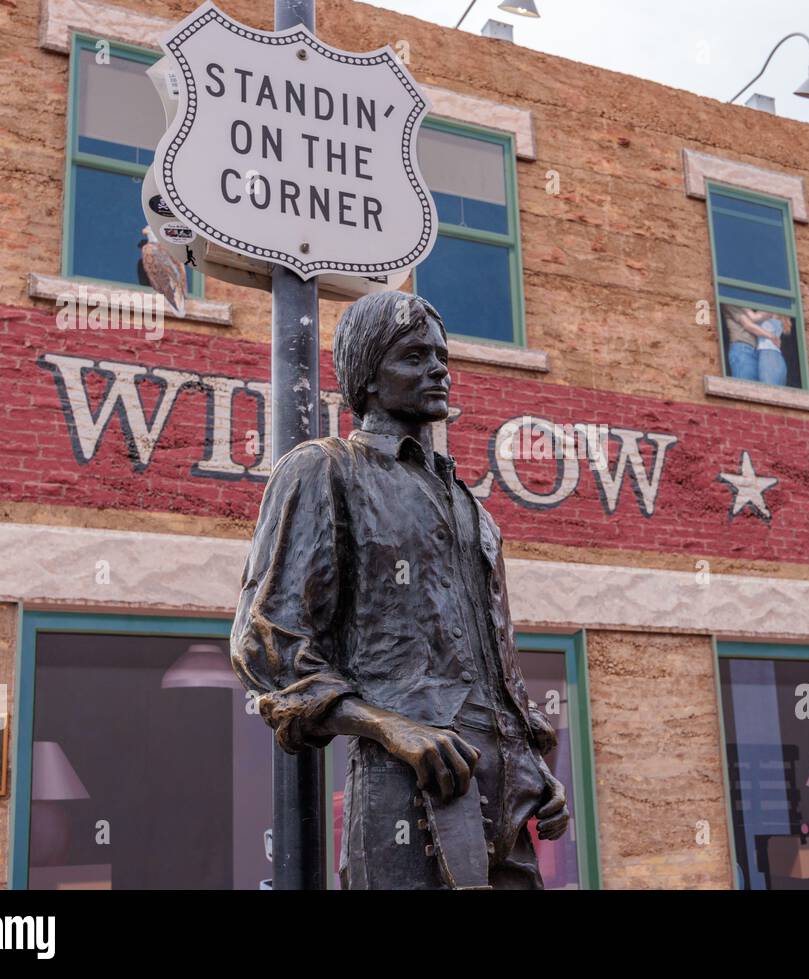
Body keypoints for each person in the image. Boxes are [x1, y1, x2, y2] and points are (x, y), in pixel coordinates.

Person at [231, 291, 569, 890]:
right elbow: (268, 645)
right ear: (366, 378)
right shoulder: (325, 469)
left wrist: (535, 766)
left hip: (507, 792)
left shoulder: (471, 507)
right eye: (415, 357)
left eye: (441, 356)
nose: (439, 369)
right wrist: (389, 727)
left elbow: (497, 669)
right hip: (405, 787)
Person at [724, 305, 792, 387]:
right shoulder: (732, 301)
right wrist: (771, 336)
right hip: (745, 348)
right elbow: (748, 324)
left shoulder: (769, 306)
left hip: (767, 353)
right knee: (748, 390)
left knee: (763, 391)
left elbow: (753, 318)